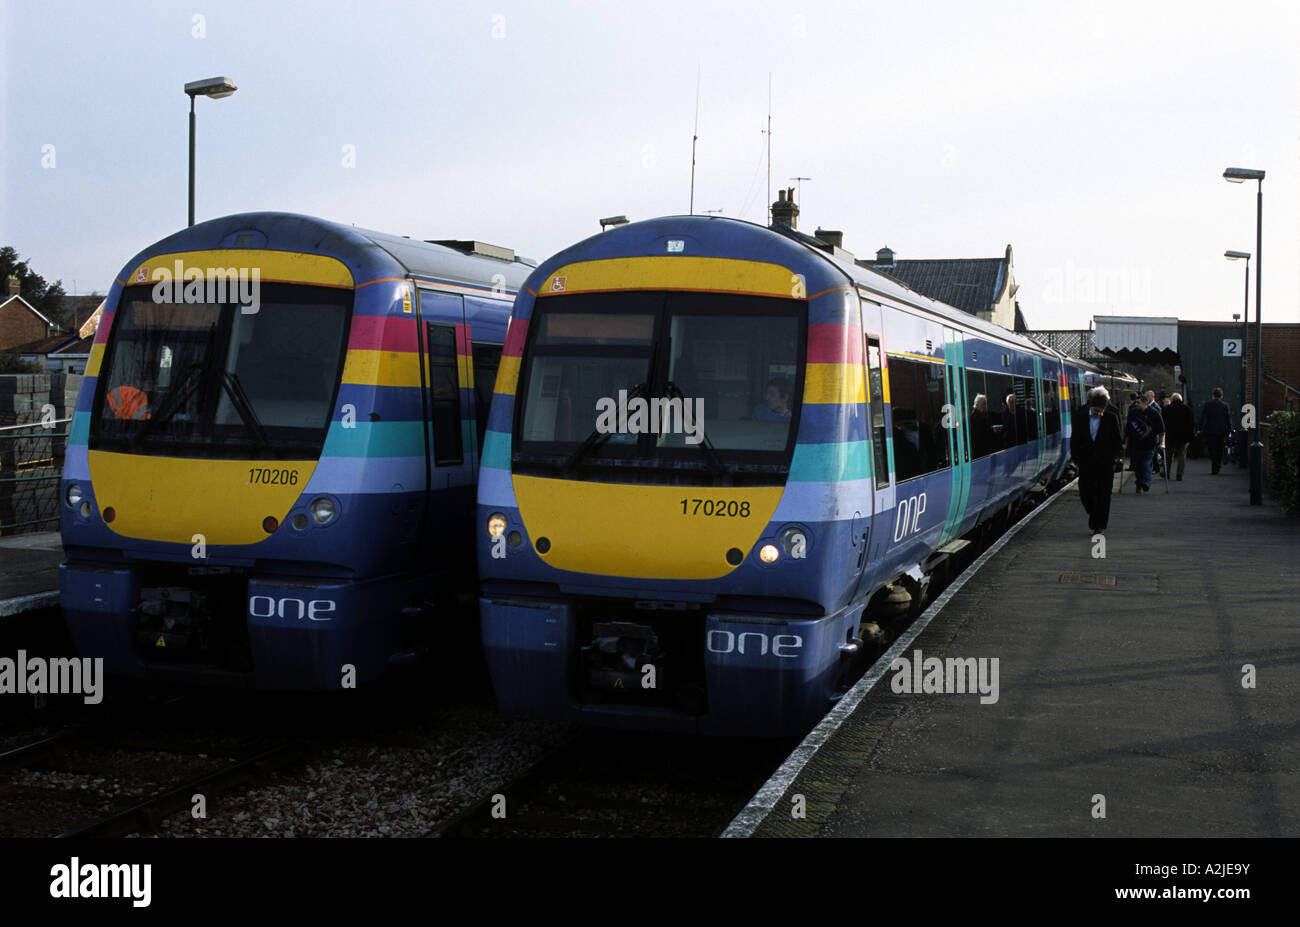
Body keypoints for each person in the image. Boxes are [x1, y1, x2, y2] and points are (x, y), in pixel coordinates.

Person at [1071, 387, 1123, 533]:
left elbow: (1117, 441)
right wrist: (1076, 458)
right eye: (1096, 411)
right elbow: (1075, 439)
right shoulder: (1080, 417)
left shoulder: (1111, 418)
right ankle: (1093, 514)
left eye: (1101, 411)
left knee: (1104, 494)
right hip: (1086, 462)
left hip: (1105, 463)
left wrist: (1114, 458)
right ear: (1090, 407)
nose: (1098, 414)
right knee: (1085, 493)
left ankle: (1099, 525)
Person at [1124, 393, 1163, 493]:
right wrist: (1126, 443)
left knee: (1145, 463)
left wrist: (1161, 442)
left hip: (1149, 444)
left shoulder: (1154, 413)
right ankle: (1139, 482)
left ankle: (1145, 482)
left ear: (1145, 403)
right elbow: (1128, 429)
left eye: (1138, 402)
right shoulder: (1133, 413)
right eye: (1136, 402)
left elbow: (1161, 429)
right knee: (1137, 465)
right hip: (1135, 443)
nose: (1136, 404)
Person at [1198, 387, 1231, 474]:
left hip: (1210, 430)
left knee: (1212, 448)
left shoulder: (1207, 405)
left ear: (1213, 395)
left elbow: (1203, 417)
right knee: (1220, 448)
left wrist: (1199, 428)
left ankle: (1214, 463)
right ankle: (1218, 463)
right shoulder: (1225, 406)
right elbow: (1228, 419)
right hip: (1221, 430)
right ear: (1221, 396)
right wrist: (1230, 428)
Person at [1163, 392, 1195, 480]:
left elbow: (1163, 424)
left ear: (1172, 400)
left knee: (1168, 455)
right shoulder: (1187, 409)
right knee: (1182, 455)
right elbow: (1191, 424)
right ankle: (1179, 474)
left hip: (1170, 436)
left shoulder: (1167, 409)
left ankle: (1167, 473)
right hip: (1183, 437)